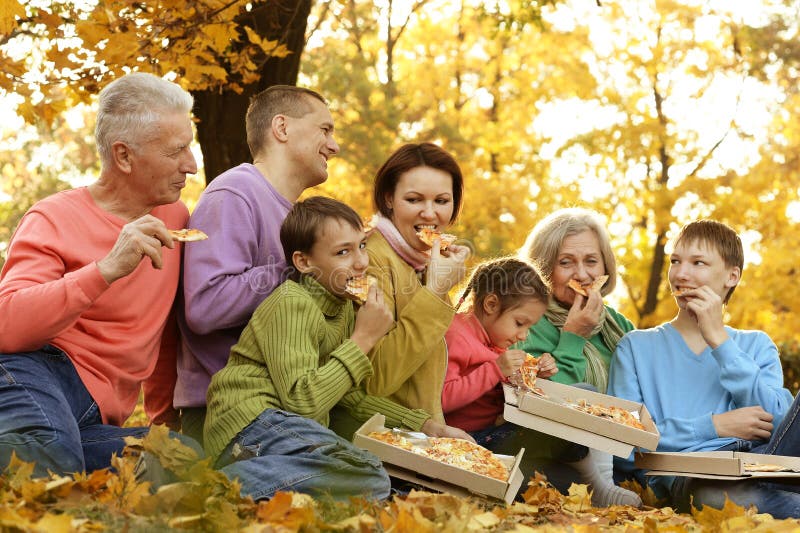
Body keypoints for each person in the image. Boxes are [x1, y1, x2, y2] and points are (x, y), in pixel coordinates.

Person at [203, 196, 473, 501]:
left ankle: (252, 484)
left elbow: (348, 397)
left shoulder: (344, 307)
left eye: (361, 246)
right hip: (252, 422)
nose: (360, 261)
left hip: (290, 435)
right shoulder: (292, 302)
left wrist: (425, 426)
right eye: (343, 252)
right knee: (368, 472)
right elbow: (301, 401)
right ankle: (214, 487)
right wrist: (364, 339)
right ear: (304, 262)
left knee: (375, 483)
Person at [0, 72, 199, 476]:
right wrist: (105, 270)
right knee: (46, 453)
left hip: (93, 419)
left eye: (189, 148)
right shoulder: (53, 217)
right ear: (124, 156)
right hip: (33, 371)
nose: (191, 165)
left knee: (181, 458)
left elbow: (161, 331)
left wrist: (162, 423)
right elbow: (7, 325)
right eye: (176, 151)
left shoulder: (176, 219)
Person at [176, 86, 340, 445]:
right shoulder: (235, 192)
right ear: (281, 128)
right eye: (324, 130)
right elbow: (205, 306)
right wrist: (299, 268)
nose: (334, 145)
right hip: (223, 413)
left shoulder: (296, 216)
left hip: (279, 408)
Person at [608, 219, 799, 518]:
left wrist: (720, 342)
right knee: (717, 496)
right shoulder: (635, 347)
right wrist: (715, 427)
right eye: (675, 261)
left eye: (698, 262)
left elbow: (779, 429)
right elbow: (625, 448)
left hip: (766, 466)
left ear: (731, 276)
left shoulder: (757, 345)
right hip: (693, 479)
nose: (681, 274)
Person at [443, 257, 642, 507]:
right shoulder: (457, 335)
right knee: (562, 468)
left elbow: (504, 387)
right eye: (519, 323)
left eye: (530, 327)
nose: (523, 335)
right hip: (474, 443)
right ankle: (598, 487)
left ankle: (600, 485)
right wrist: (495, 370)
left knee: (581, 395)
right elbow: (444, 398)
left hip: (501, 434)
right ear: (491, 304)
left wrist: (534, 372)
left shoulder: (495, 335)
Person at [514, 207, 635, 497]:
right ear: (542, 268)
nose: (582, 274)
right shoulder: (525, 321)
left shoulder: (620, 326)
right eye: (566, 263)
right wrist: (572, 338)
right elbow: (543, 406)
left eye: (591, 261)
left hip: (624, 458)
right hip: (553, 452)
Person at [363, 142, 469, 422]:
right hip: (383, 436)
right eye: (414, 199)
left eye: (442, 201)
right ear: (388, 198)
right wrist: (436, 291)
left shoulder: (421, 260)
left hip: (422, 433)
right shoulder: (370, 258)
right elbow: (377, 378)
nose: (430, 213)